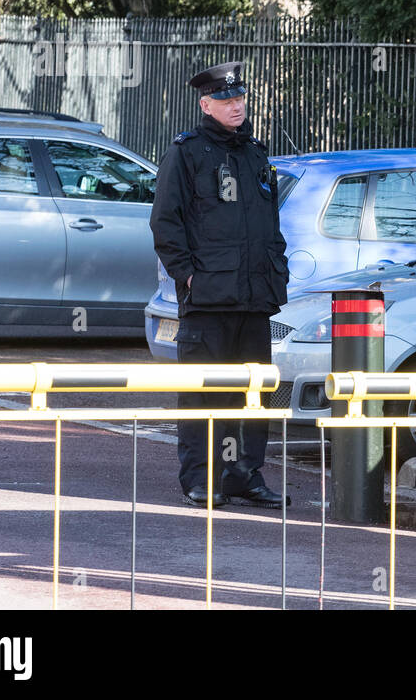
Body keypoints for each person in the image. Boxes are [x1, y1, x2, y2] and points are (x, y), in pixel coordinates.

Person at [149, 61, 288, 508]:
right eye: (227, 100)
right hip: (208, 299)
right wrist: (188, 275)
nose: (237, 106)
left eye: (240, 99)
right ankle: (201, 477)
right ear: (206, 104)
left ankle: (243, 474)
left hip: (253, 297)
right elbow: (165, 223)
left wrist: (276, 267)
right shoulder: (186, 153)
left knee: (252, 393)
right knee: (204, 391)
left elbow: (269, 223)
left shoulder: (254, 153)